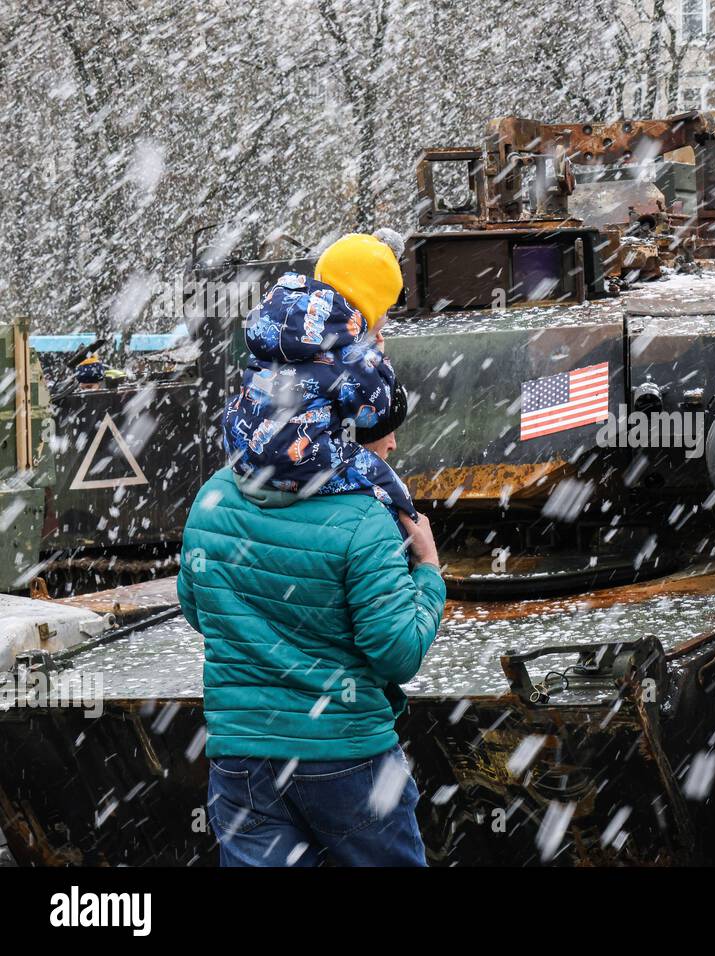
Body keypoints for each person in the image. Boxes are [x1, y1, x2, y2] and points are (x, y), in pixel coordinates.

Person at [177, 364, 445, 866]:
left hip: (241, 760)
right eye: (377, 432)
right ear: (334, 435)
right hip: (346, 758)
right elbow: (397, 652)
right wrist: (428, 571)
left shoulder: (212, 497)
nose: (390, 446)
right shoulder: (365, 519)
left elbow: (198, 609)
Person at [222, 230, 416, 528]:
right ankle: (402, 549)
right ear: (368, 303)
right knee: (391, 490)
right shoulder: (350, 354)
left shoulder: (280, 321)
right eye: (386, 309)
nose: (387, 318)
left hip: (246, 452)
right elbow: (375, 410)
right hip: (297, 460)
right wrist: (376, 356)